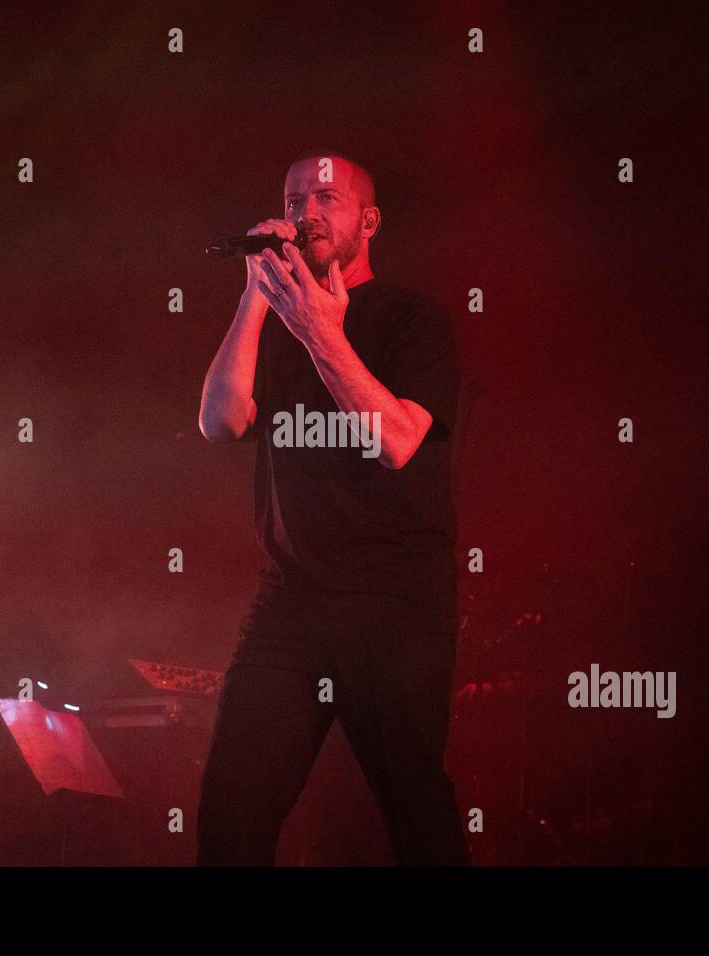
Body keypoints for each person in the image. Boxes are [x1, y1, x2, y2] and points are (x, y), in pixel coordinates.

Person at [196, 148, 469, 865]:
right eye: (292, 202)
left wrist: (321, 329)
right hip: (292, 605)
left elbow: (399, 442)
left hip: (394, 605)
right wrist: (259, 293)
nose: (305, 213)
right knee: (232, 814)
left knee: (417, 815)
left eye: (325, 199)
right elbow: (219, 421)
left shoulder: (414, 321)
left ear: (369, 220)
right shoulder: (279, 318)